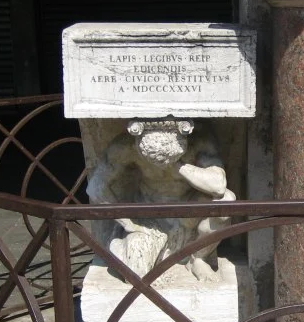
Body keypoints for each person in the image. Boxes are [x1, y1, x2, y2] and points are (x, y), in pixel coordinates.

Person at [86, 119, 235, 280]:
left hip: (187, 214)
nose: (161, 165)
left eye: (166, 159)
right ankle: (131, 247)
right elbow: (95, 188)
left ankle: (198, 259)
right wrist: (128, 223)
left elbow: (218, 186)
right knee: (135, 276)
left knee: (226, 201)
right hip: (149, 219)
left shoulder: (199, 142)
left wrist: (178, 166)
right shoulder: (127, 147)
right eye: (153, 160)